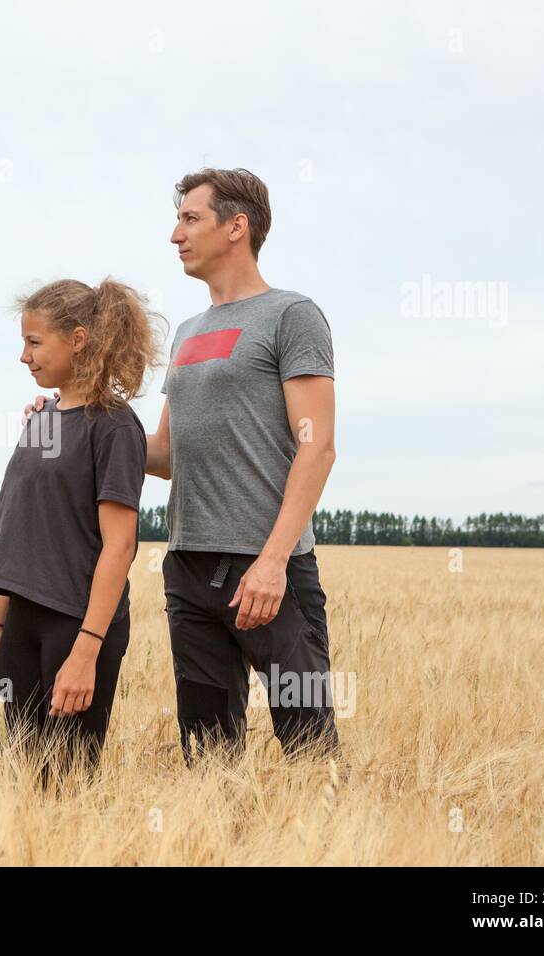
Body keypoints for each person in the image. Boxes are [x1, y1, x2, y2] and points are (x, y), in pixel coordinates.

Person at [154, 167, 342, 765]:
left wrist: (272, 561)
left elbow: (317, 445)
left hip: (268, 572)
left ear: (237, 226)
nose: (174, 235)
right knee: (207, 759)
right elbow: (162, 456)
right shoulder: (186, 332)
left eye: (190, 218)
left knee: (310, 749)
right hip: (188, 566)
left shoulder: (292, 316)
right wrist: (75, 418)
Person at [0, 278, 164, 777]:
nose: (24, 356)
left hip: (77, 625)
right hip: (23, 620)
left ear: (78, 339)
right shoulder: (43, 420)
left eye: (34, 342)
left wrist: (86, 650)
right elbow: (27, 533)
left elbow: (120, 546)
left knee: (66, 781)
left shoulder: (116, 428)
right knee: (15, 776)